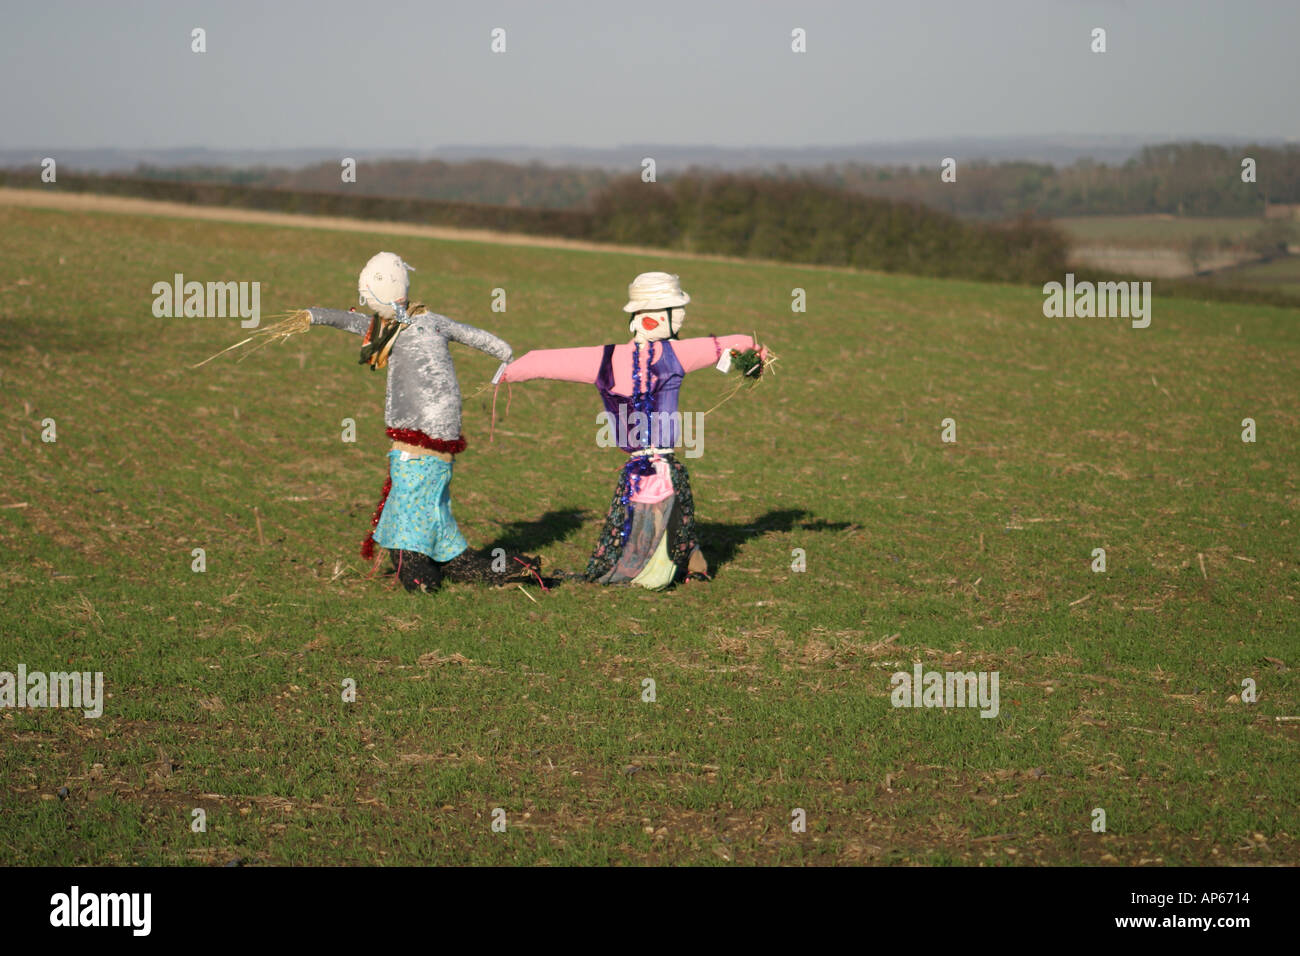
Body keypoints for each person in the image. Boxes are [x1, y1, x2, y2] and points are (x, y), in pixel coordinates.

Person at [498, 272, 766, 589]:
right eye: (676, 313)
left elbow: (543, 361)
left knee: (661, 508)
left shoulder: (603, 357)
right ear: (657, 319)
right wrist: (751, 352)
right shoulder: (676, 354)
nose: (681, 319)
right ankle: (687, 563)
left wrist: (508, 373)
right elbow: (732, 343)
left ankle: (690, 562)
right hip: (653, 463)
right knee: (658, 516)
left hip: (648, 462)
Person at [305, 251, 540, 592]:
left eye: (370, 298)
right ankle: (429, 558)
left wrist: (507, 356)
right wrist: (314, 316)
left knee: (417, 489)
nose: (368, 307)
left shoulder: (427, 323)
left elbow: (476, 337)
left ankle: (415, 562)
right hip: (411, 432)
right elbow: (354, 322)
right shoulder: (390, 327)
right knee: (416, 493)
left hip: (430, 431)